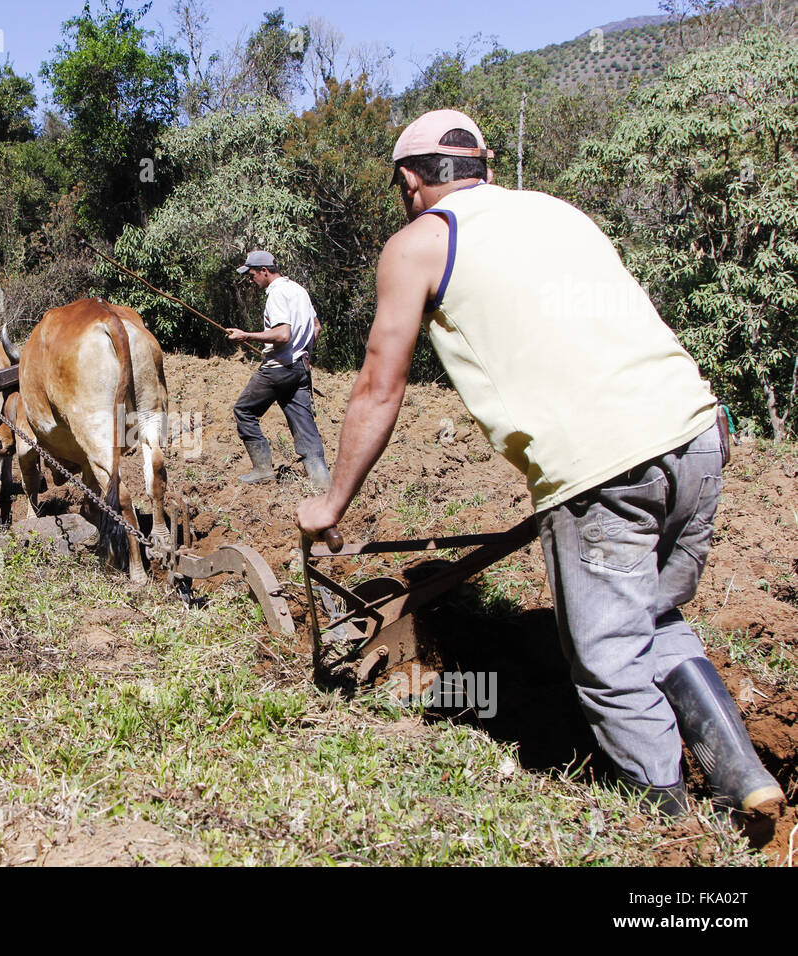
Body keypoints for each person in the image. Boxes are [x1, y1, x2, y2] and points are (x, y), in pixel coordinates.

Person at [296, 109, 784, 820]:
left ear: (410, 181)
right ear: (485, 167)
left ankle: (666, 824)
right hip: (698, 431)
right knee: (653, 613)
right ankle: (743, 775)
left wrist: (330, 502)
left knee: (609, 654)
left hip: (604, 465)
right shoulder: (559, 212)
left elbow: (379, 383)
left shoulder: (419, 244)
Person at [226, 251, 330, 492]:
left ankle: (263, 470)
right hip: (300, 369)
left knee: (244, 410)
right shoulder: (298, 290)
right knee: (304, 426)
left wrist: (246, 336)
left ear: (264, 271)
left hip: (279, 369)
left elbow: (283, 335)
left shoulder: (276, 293)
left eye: (252, 275)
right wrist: (303, 352)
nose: (251, 281)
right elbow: (316, 327)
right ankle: (322, 483)